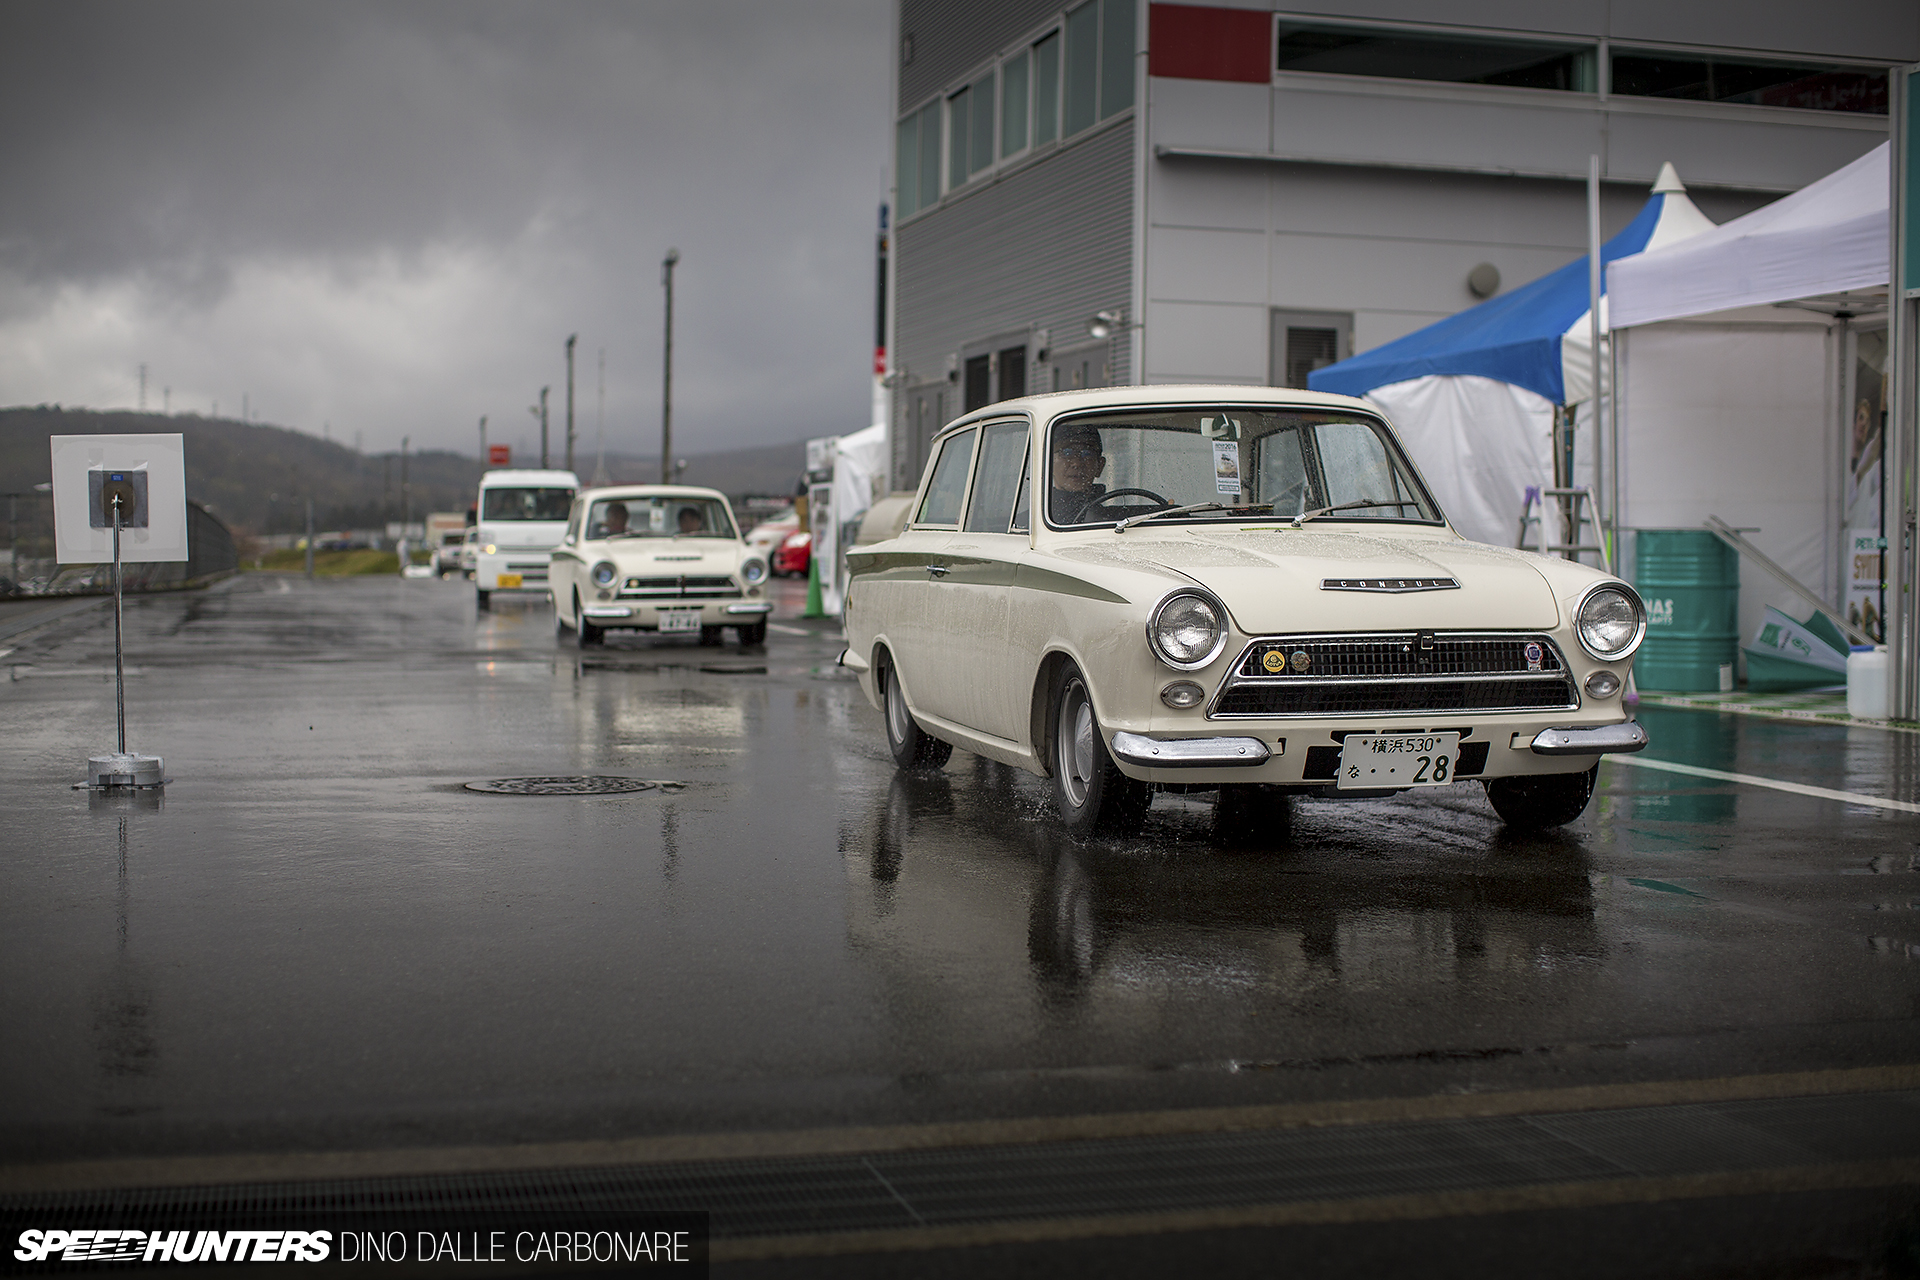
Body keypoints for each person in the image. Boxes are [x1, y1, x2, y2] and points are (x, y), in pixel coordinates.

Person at [1049, 423, 1107, 523]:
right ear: (1049, 463)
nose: (1077, 463)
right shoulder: (1030, 523)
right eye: (1066, 453)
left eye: (1087, 453)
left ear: (1100, 466)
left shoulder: (1117, 521)